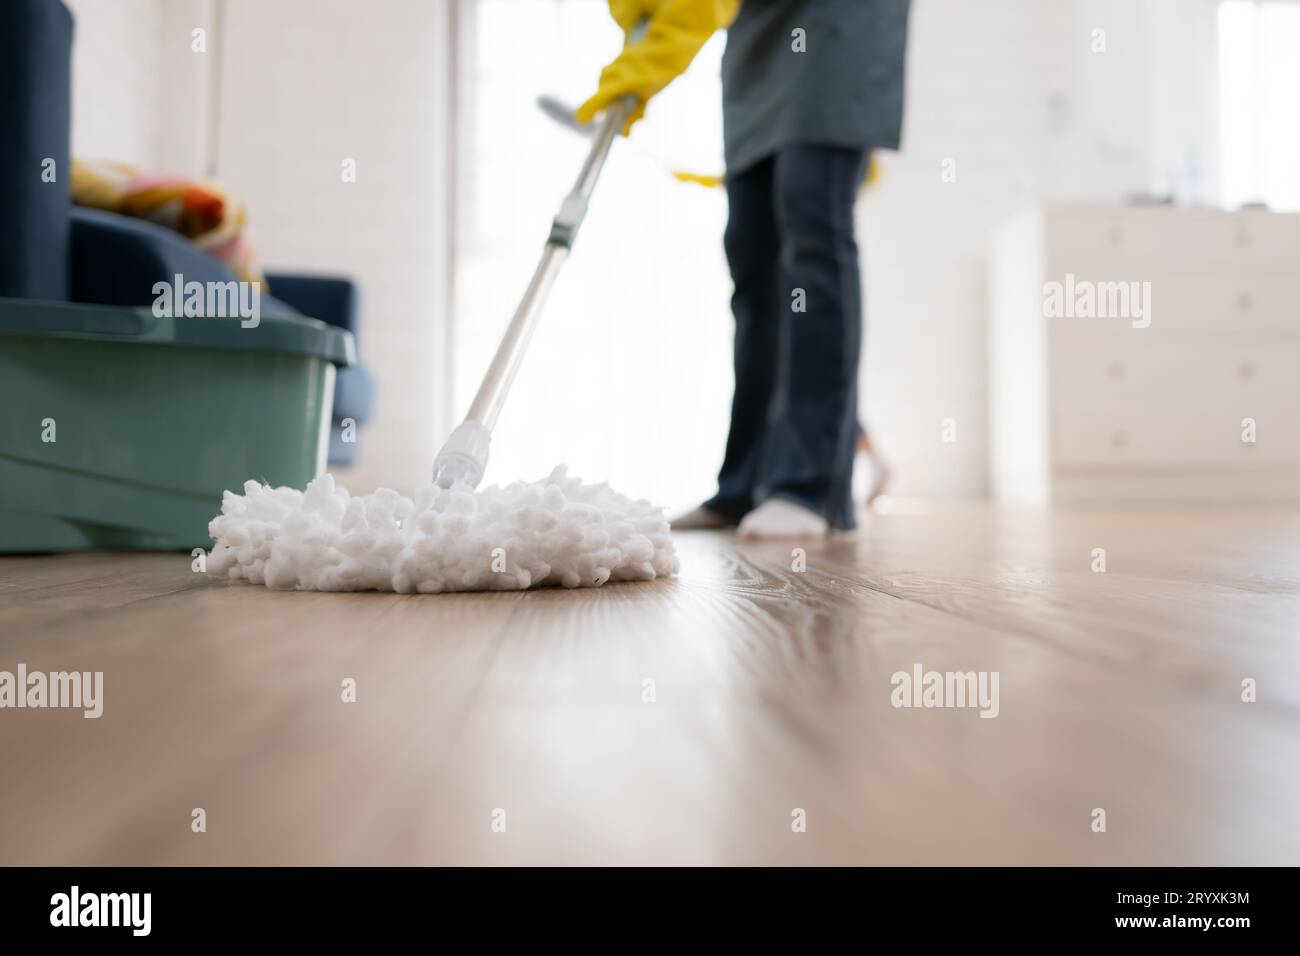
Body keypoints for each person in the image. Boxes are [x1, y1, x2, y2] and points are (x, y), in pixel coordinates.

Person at [578, 0, 910, 538]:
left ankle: (810, 486)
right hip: (758, 35)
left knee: (811, 223)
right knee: (751, 248)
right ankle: (746, 485)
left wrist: (653, 58)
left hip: (837, 25)